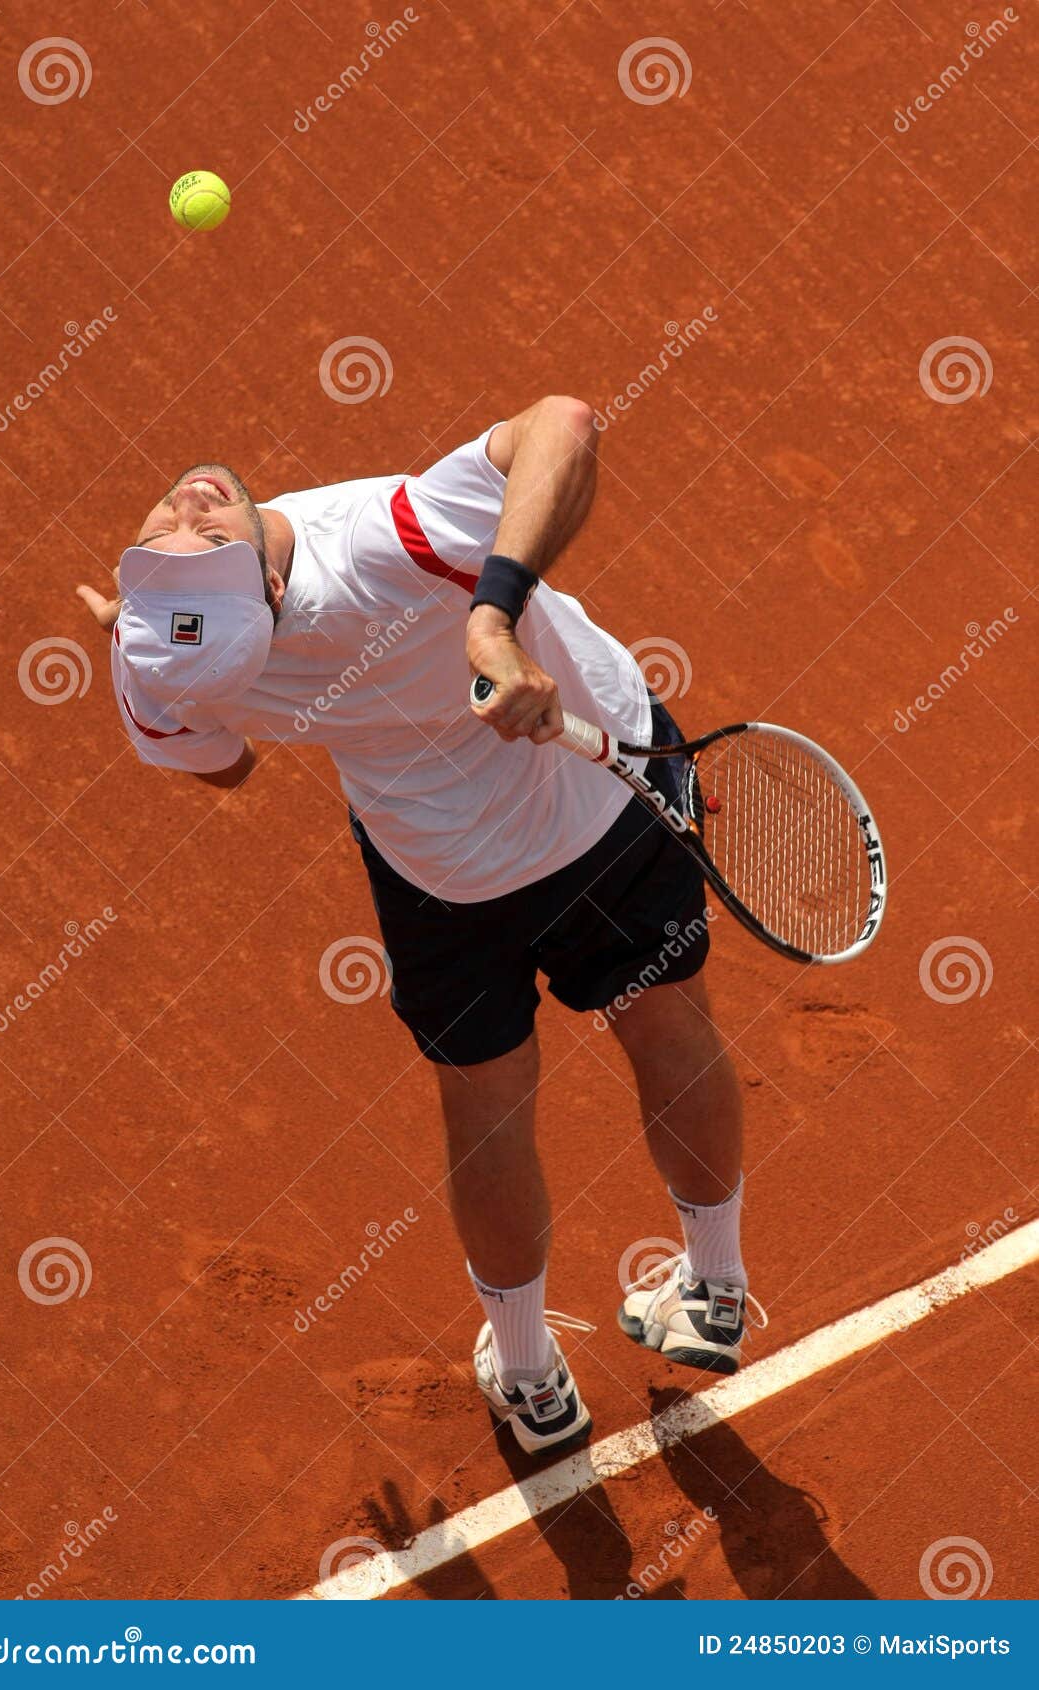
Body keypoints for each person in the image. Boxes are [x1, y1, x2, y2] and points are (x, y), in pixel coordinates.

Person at [78, 396, 754, 1458]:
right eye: (189, 541)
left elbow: (225, 762)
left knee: (486, 1107)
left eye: (177, 538)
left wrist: (147, 641)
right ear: (262, 588)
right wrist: (495, 609)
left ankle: (527, 1375)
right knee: (665, 1024)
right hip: (606, 791)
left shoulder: (161, 666)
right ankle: (713, 1282)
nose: (185, 509)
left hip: (445, 880)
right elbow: (566, 424)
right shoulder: (384, 540)